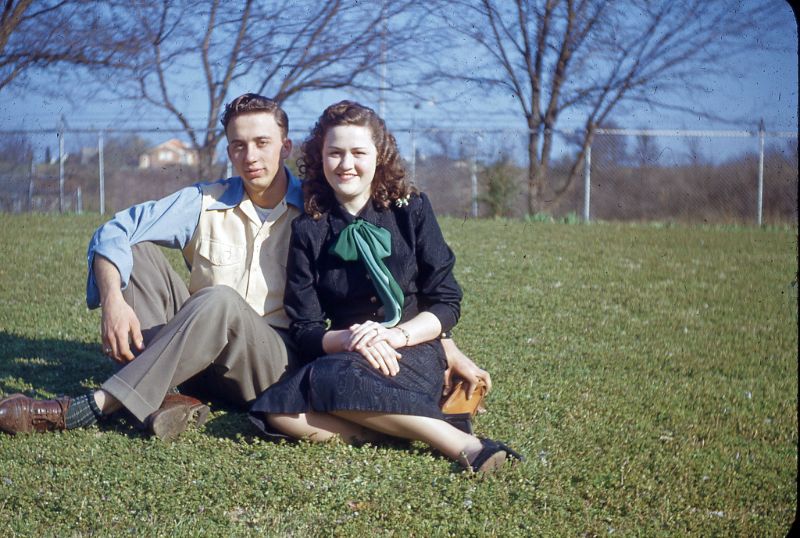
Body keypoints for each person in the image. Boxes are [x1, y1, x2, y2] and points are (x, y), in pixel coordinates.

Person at [0, 94, 491, 440]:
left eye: (261, 142)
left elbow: (385, 288)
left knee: (218, 301)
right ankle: (167, 397)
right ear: (228, 149)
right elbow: (113, 230)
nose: (249, 155)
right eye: (238, 144)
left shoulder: (319, 210)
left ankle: (93, 406)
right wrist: (111, 299)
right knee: (139, 251)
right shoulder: (202, 200)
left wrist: (448, 349)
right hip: (195, 349)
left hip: (272, 360)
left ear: (287, 147)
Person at [249, 101, 521, 473]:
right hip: (349, 351)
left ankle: (465, 446)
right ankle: (389, 432)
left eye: (358, 152)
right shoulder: (309, 229)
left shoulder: (413, 210)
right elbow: (306, 329)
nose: (346, 164)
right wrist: (349, 340)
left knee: (330, 381)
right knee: (280, 411)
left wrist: (396, 337)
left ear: (379, 156)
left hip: (413, 349)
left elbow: (445, 302)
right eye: (335, 153)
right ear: (320, 158)